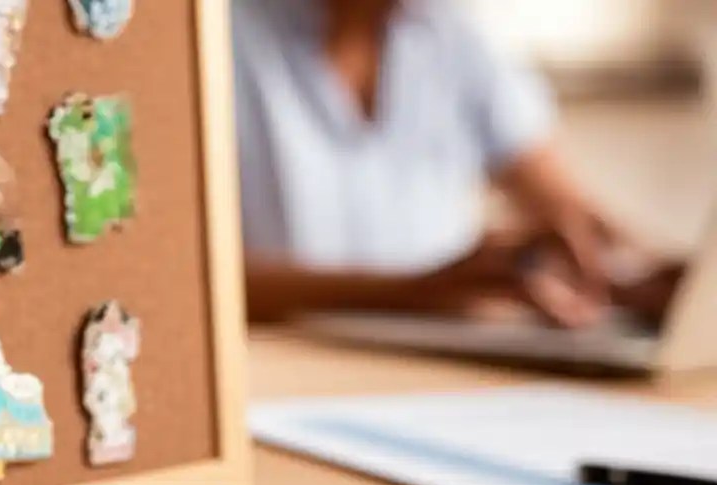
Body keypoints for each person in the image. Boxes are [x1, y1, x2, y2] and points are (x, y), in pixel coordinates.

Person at [234, 0, 684, 328]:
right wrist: (413, 293)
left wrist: (637, 275)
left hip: (446, 360)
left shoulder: (454, 34)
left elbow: (563, 206)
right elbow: (196, 289)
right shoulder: (216, 35)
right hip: (288, 361)